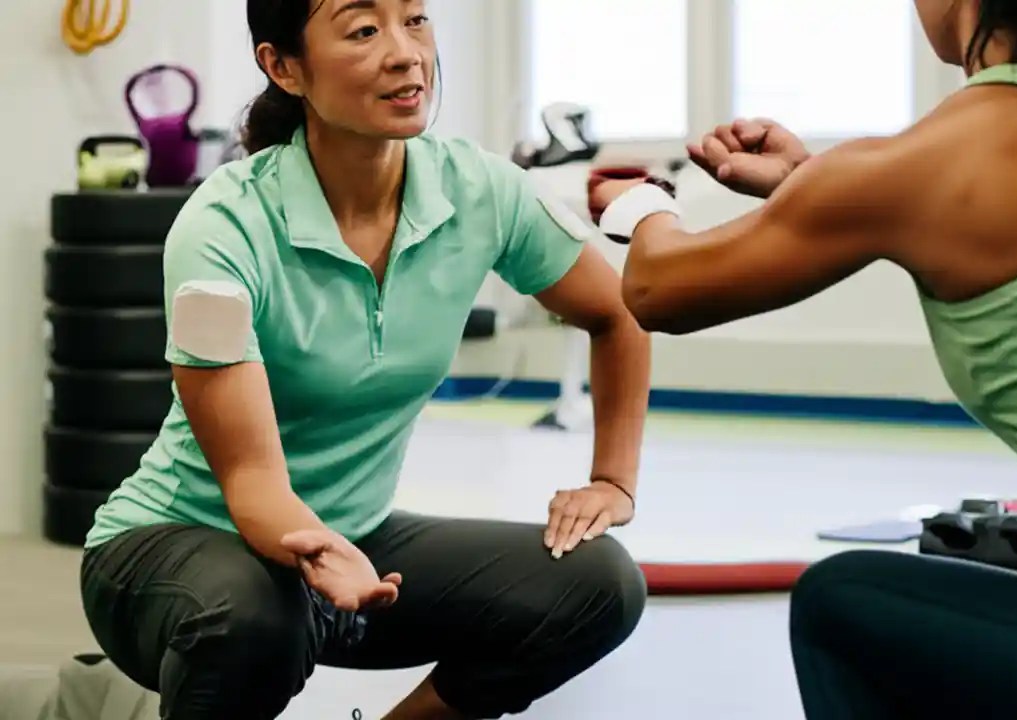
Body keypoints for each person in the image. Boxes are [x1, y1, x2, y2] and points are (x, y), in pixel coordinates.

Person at [589, 0, 1017, 716]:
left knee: (843, 606)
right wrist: (820, 181)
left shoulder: (946, 156)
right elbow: (1011, 207)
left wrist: (644, 204)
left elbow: (657, 288)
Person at [79, 1, 652, 718]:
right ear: (283, 67)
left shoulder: (479, 190)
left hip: (353, 541)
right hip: (174, 548)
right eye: (362, 30)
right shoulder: (225, 224)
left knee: (598, 583)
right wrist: (321, 551)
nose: (406, 53)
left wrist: (612, 480)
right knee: (255, 615)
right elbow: (253, 484)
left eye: (414, 20)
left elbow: (621, 308)